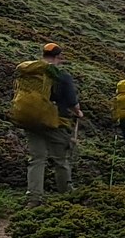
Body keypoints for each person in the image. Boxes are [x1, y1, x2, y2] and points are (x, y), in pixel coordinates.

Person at [11, 42, 82, 200]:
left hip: (31, 120)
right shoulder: (61, 75)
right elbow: (72, 102)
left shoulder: (31, 72)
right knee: (60, 160)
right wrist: (78, 112)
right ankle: (66, 195)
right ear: (58, 57)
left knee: (36, 159)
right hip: (55, 122)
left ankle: (34, 197)